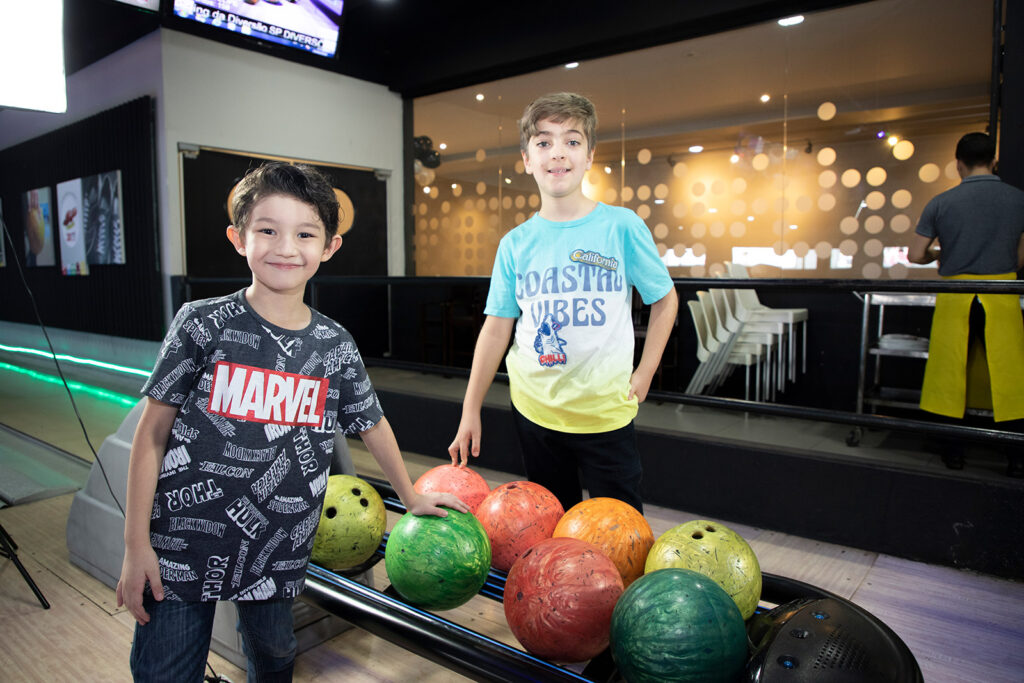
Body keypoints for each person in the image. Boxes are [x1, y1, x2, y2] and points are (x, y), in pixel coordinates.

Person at [116, 162, 467, 682]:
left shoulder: (335, 345)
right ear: (239, 238)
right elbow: (152, 435)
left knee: (276, 661)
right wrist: (134, 546)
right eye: (267, 230)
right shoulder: (201, 323)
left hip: (277, 550)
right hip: (181, 548)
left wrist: (412, 496)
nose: (286, 247)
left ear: (330, 247)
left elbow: (373, 424)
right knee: (165, 671)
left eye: (305, 233)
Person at [448, 92, 679, 513]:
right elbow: (497, 329)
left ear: (590, 156)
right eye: (544, 142)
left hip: (606, 412)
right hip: (534, 412)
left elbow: (665, 300)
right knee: (552, 529)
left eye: (572, 141)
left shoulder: (621, 227)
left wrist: (646, 372)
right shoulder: (514, 244)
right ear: (527, 158)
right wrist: (470, 410)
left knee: (620, 534)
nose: (558, 153)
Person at [909, 132, 1024, 477]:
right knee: (1008, 372)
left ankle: (953, 452)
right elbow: (1021, 257)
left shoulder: (942, 202)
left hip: (956, 294)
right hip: (1001, 292)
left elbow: (916, 254)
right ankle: (1016, 457)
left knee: (951, 370)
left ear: (958, 164)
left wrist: (942, 254)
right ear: (994, 161)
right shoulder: (1019, 200)